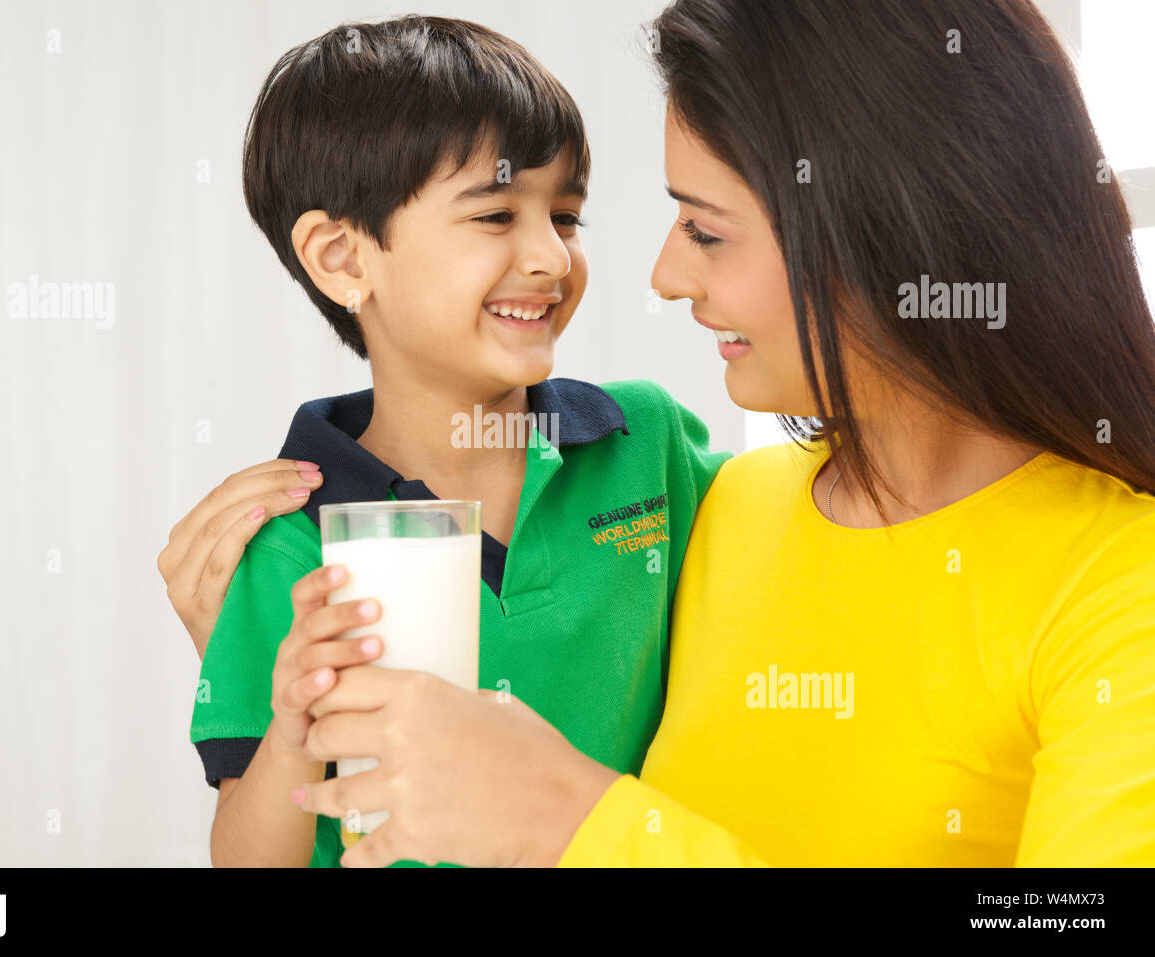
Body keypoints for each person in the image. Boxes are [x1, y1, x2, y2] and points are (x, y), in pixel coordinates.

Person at [265, 0, 1153, 867]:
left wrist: (573, 824)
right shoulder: (723, 507)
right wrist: (281, 656)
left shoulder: (1120, 585)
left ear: (887, 232)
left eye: (707, 230)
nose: (664, 272)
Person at [167, 14, 734, 868]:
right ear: (342, 259)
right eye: (497, 214)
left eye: (567, 217)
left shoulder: (646, 442)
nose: (550, 256)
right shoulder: (284, 543)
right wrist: (290, 733)